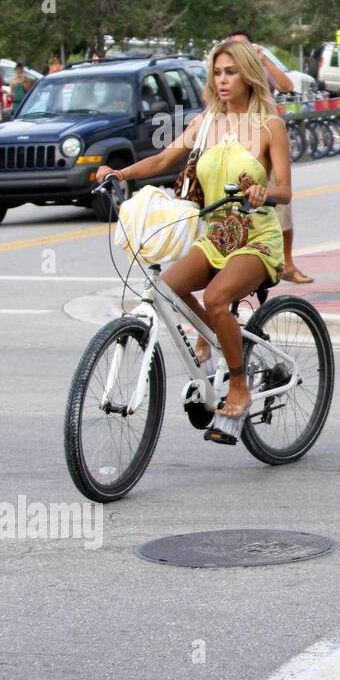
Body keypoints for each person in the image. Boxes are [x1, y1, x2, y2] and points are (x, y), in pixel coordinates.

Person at [96, 41, 291, 437]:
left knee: (217, 297)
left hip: (256, 238)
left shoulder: (271, 126)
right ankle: (213, 338)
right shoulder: (206, 123)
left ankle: (238, 387)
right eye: (217, 72)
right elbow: (164, 160)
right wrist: (120, 174)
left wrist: (262, 193)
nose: (222, 80)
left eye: (231, 72)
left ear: (249, 75)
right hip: (215, 236)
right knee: (167, 289)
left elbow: (285, 190)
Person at [226, 29, 311, 283]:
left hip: (265, 140)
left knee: (280, 202)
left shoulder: (261, 69)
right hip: (235, 144)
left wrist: (264, 61)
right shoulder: (226, 75)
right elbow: (208, 98)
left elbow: (287, 86)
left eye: (244, 47)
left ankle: (287, 263)